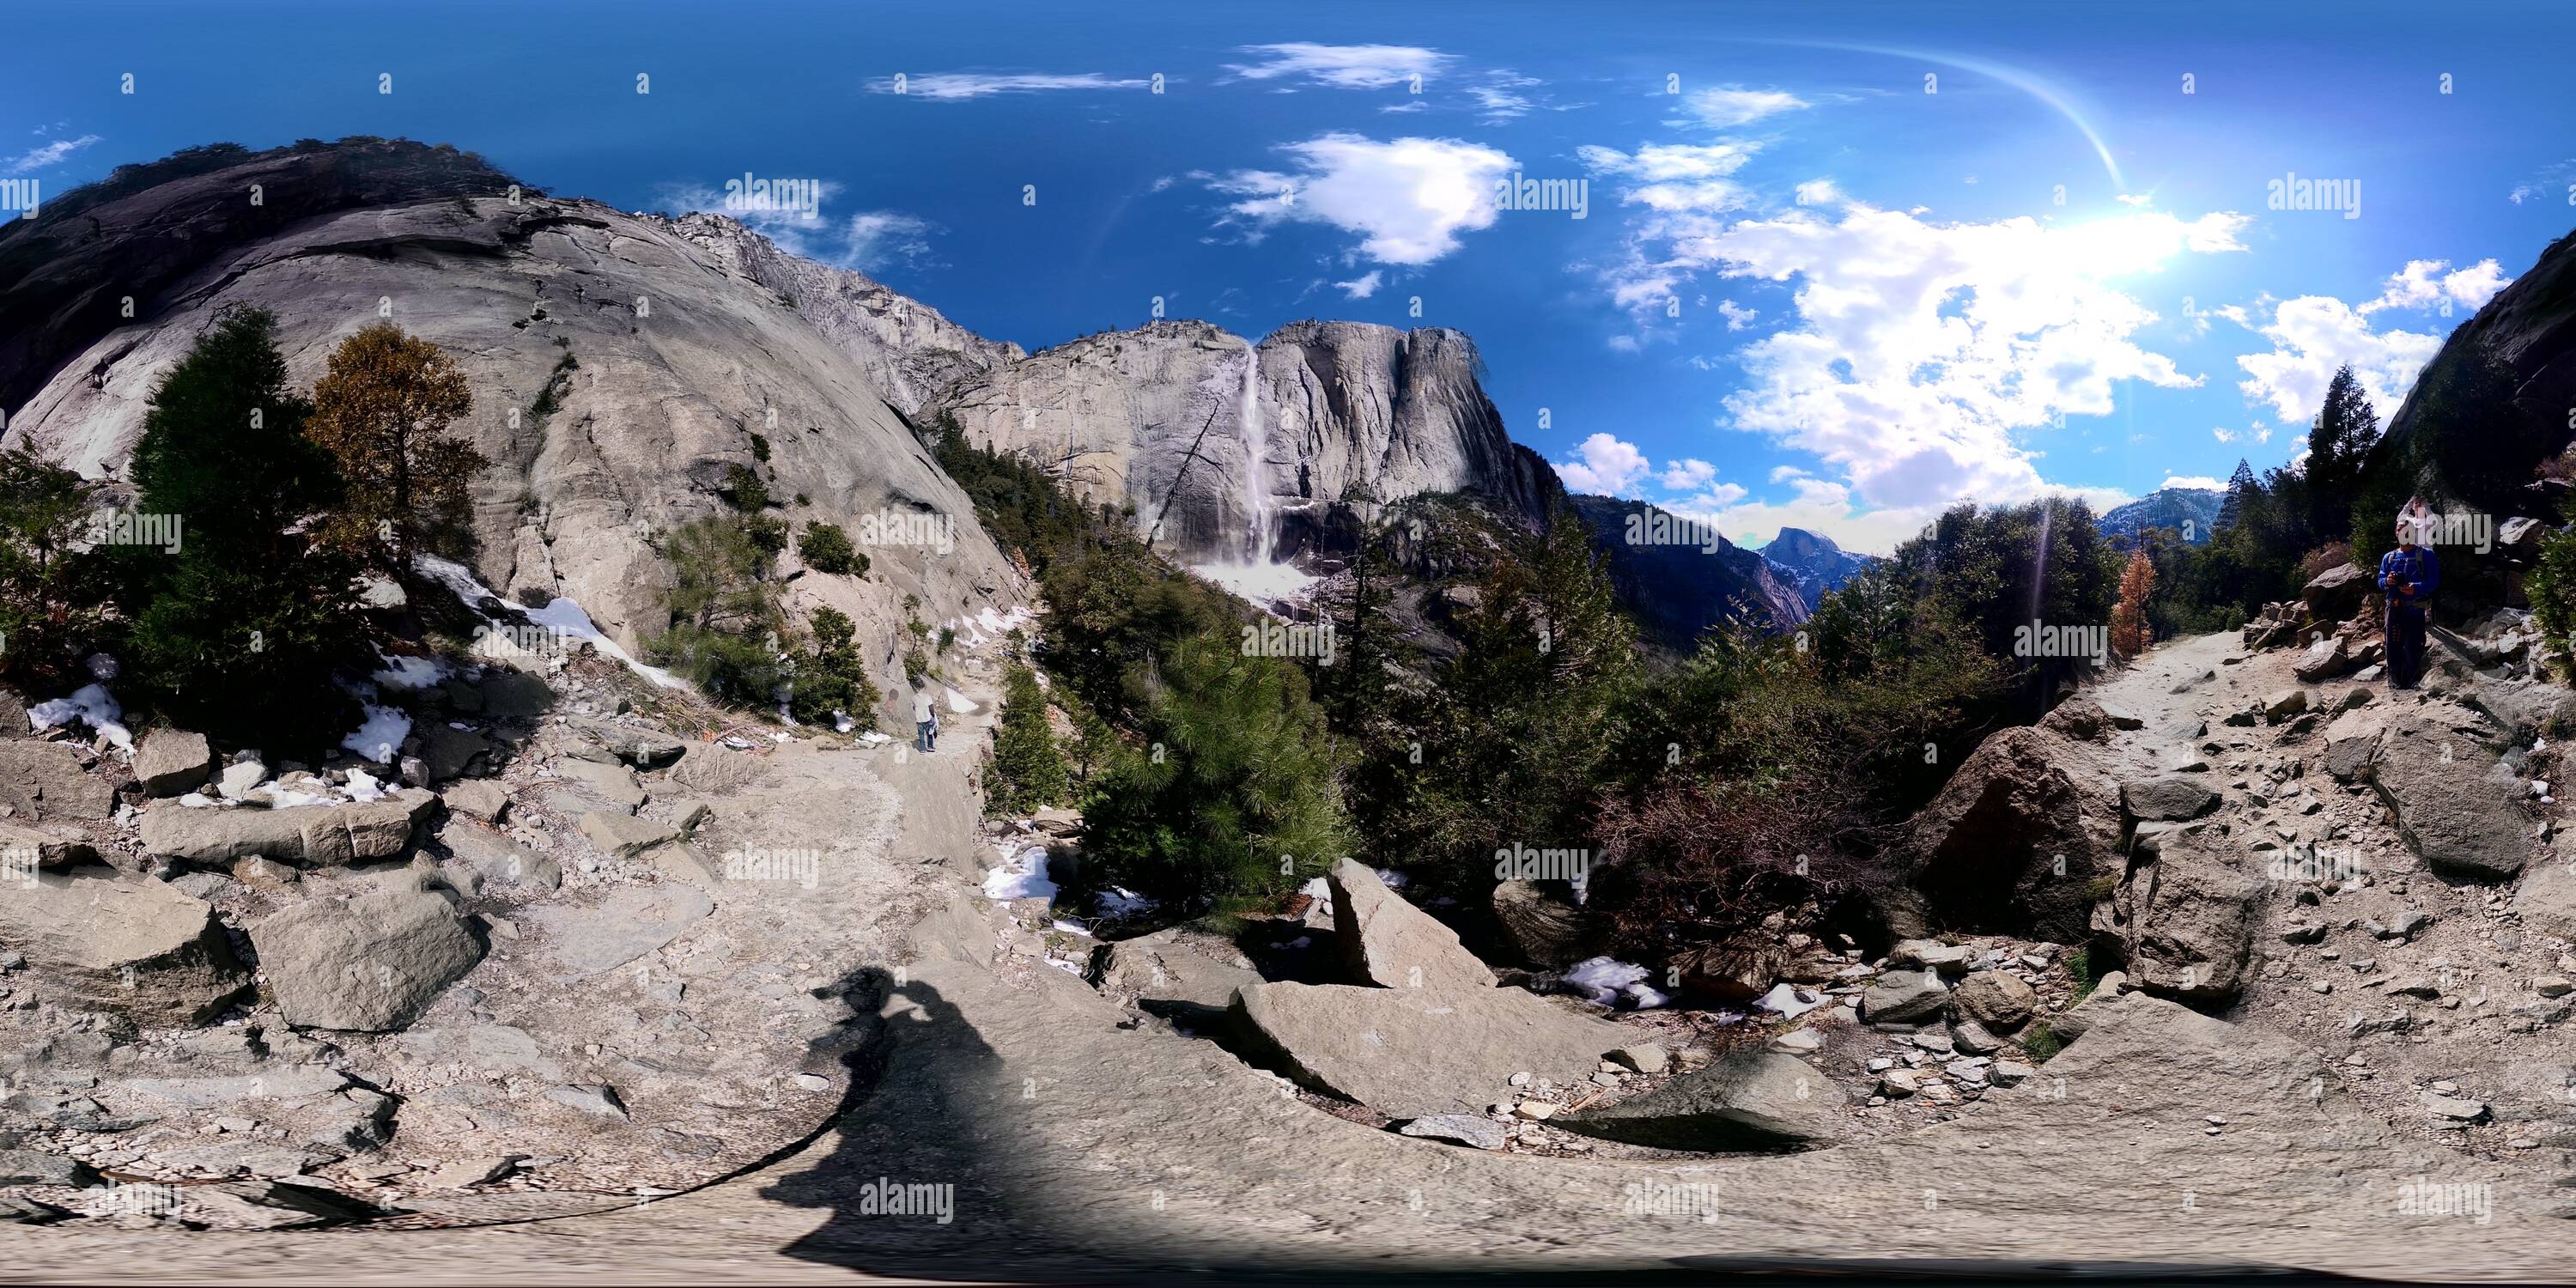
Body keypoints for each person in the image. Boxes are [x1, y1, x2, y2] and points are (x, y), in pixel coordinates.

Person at [2379, 505, 2440, 690]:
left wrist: (2416, 588)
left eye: (2406, 528)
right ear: (2395, 532)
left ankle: (2411, 681)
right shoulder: (2388, 558)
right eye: (2399, 528)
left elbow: (2434, 581)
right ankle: (2394, 682)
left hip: (2415, 607)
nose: (2402, 531)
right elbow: (2380, 580)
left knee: (2413, 643)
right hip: (2393, 607)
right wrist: (2387, 582)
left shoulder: (2426, 555)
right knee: (2392, 644)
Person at [913, 683, 938, 753]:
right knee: (929, 733)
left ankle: (922, 749)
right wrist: (933, 715)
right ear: (923, 688)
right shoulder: (927, 696)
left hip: (919, 719)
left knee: (921, 735)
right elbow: (931, 707)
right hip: (927, 718)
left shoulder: (914, 697)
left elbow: (914, 707)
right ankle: (930, 747)